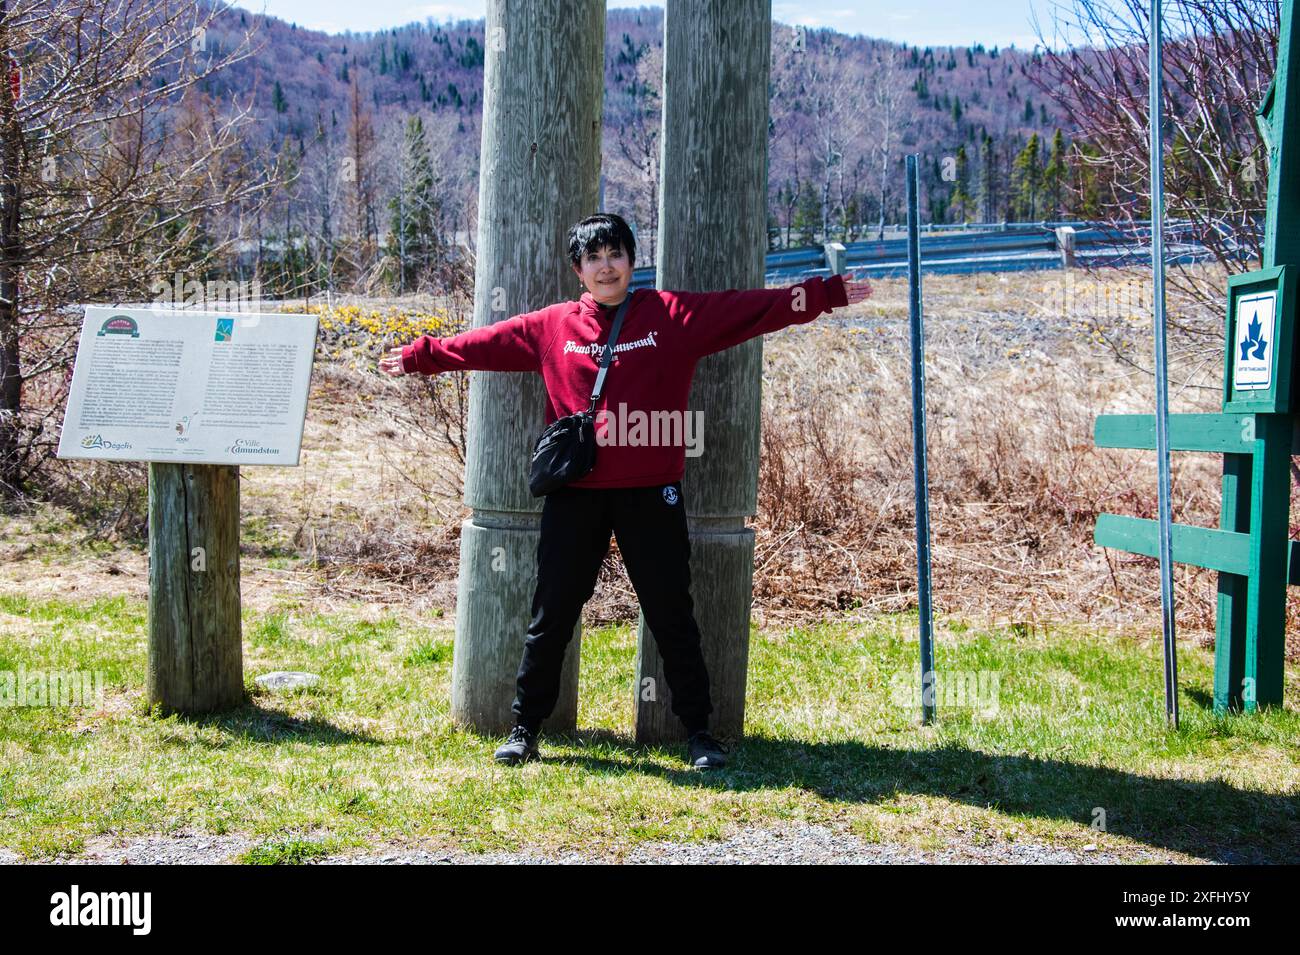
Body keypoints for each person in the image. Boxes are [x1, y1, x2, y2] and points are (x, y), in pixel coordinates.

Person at [379, 213, 870, 770]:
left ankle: (700, 734)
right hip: (576, 495)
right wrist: (422, 355)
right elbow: (484, 345)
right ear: (578, 270)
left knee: (671, 613)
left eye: (615, 254)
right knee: (553, 611)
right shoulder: (553, 326)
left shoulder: (671, 315)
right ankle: (524, 727)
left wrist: (825, 294)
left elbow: (752, 309)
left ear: (632, 261)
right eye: (593, 258)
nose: (605, 266)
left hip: (650, 493)